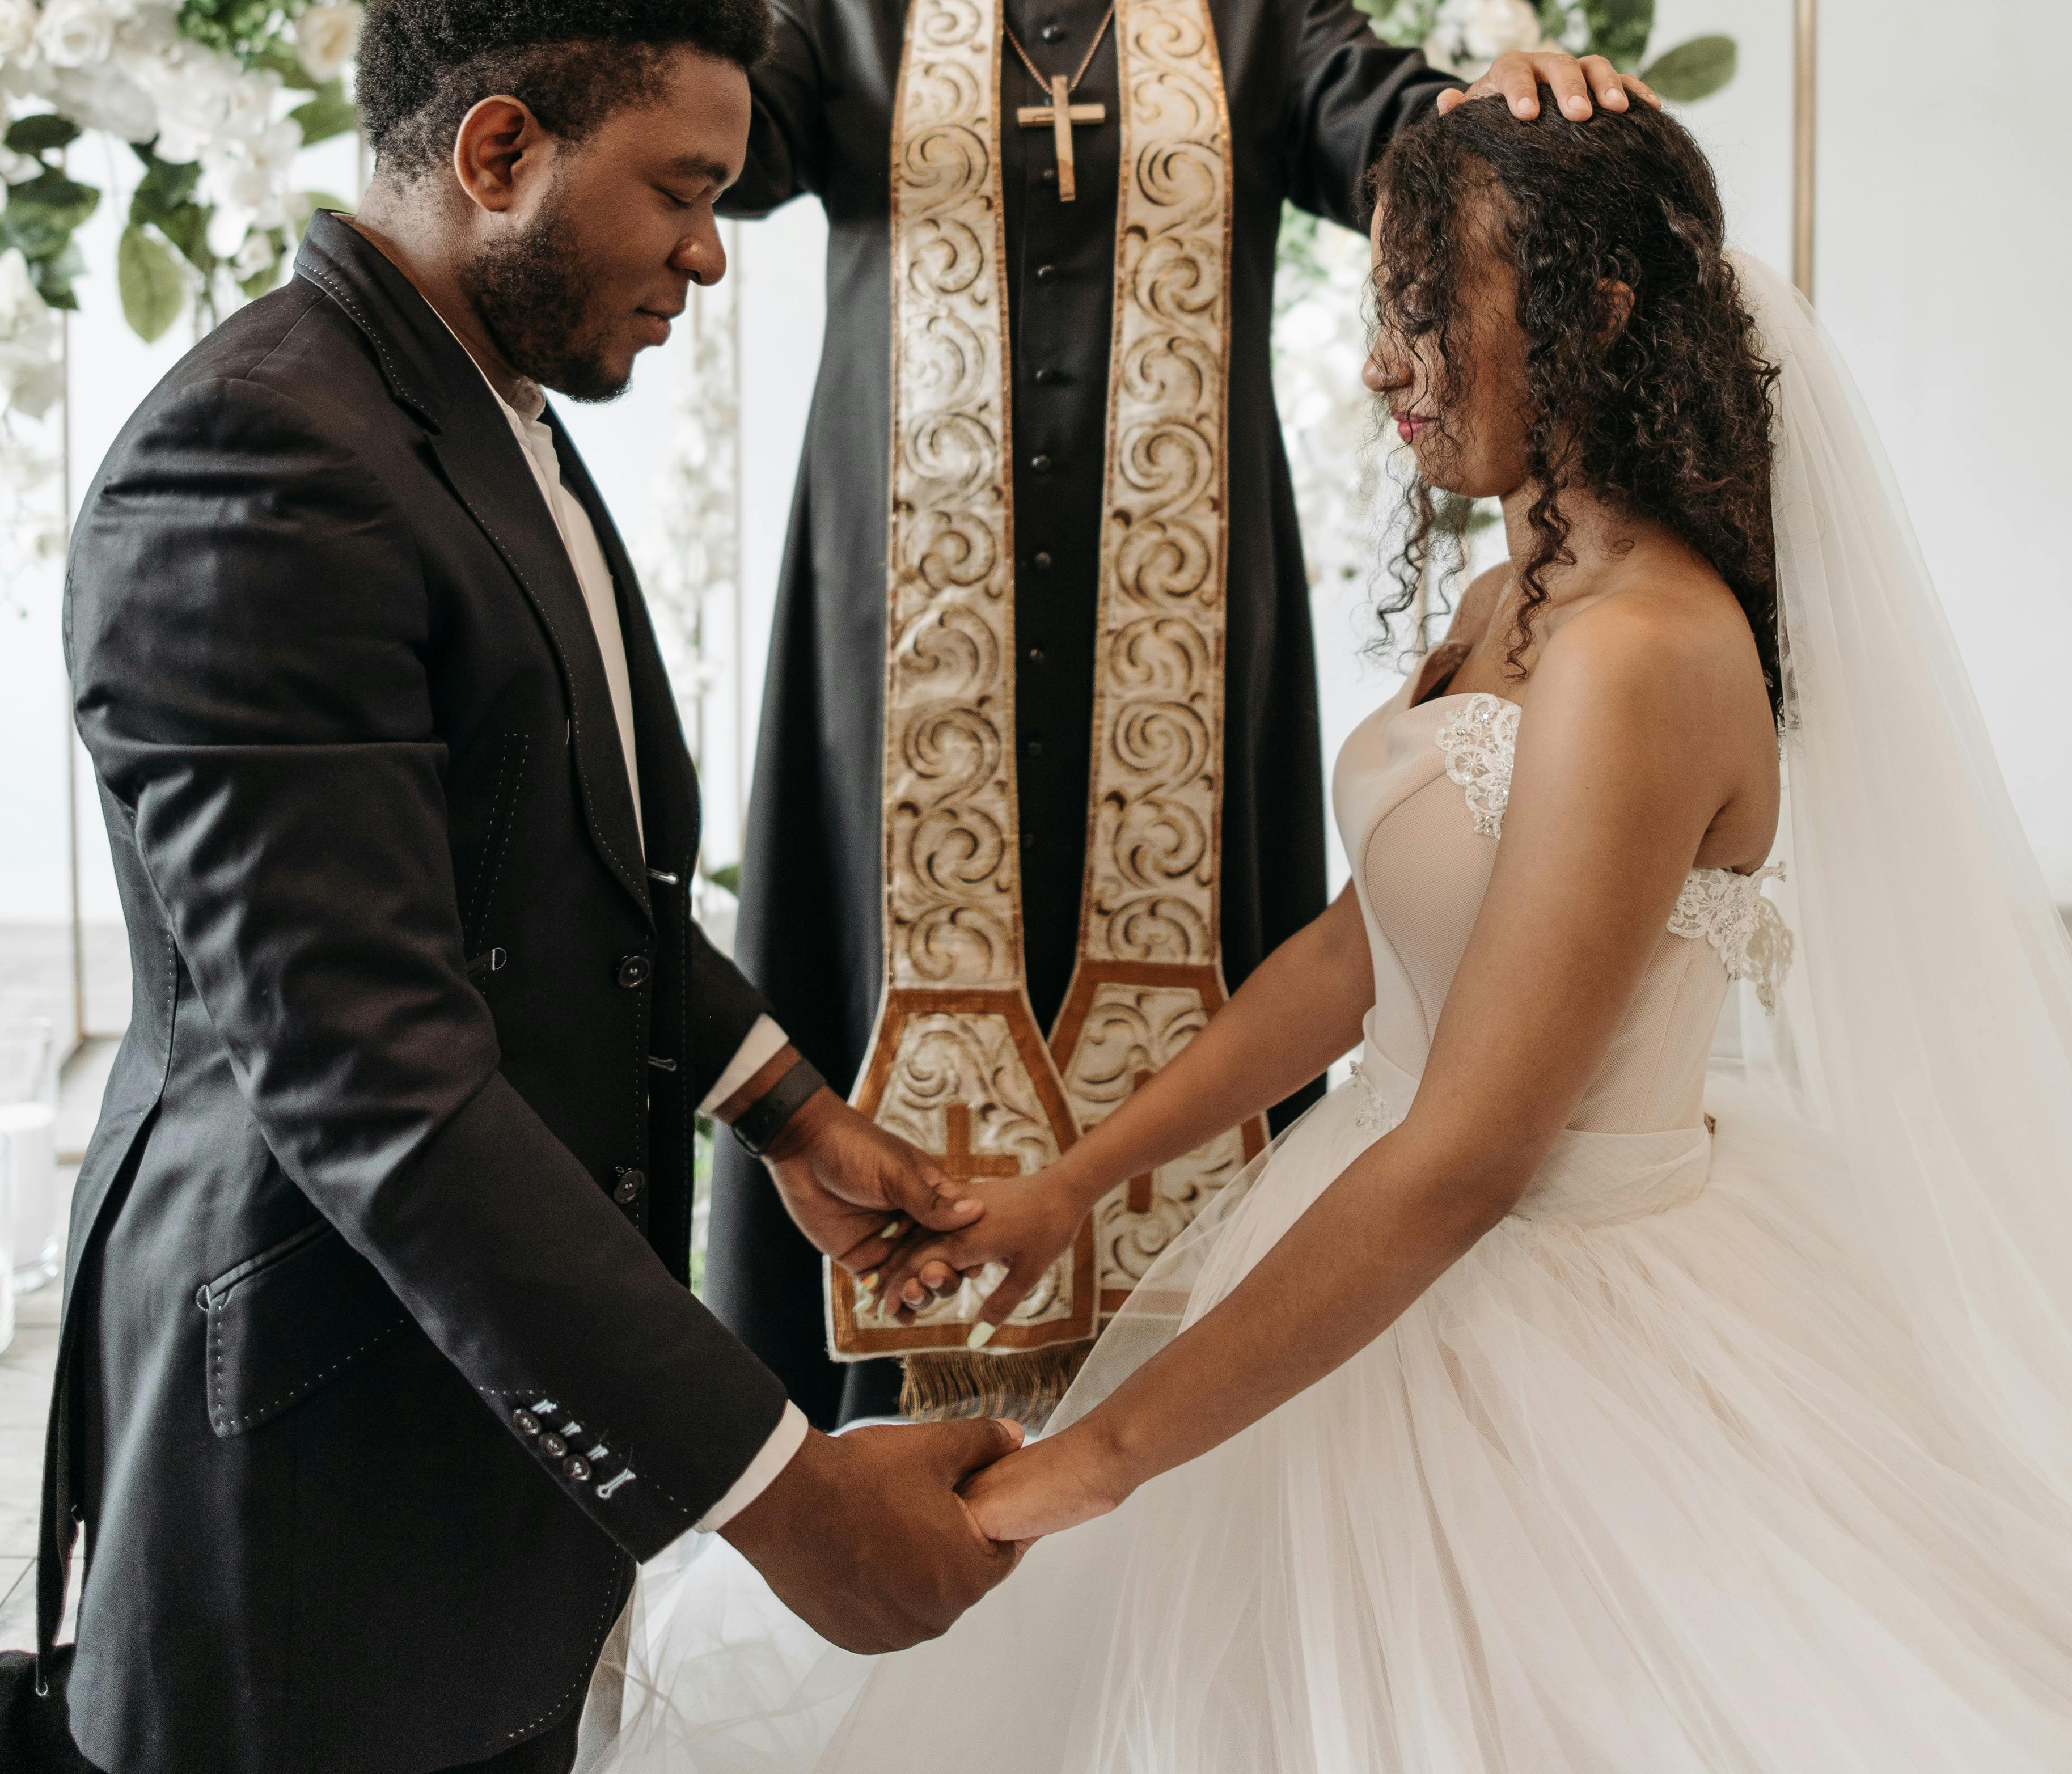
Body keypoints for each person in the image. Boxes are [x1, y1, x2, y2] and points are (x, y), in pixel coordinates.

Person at [596, 97, 2072, 1768]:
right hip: (1360, 1216)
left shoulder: (1646, 654)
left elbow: (1470, 1154)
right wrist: (1074, 1183)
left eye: (1425, 301)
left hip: (1550, 1318)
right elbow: (1355, 957)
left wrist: (1108, 1453)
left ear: (1589, 311)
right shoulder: (1515, 599)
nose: (1384, 360)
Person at [30, 0, 1017, 1774]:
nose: (710, 256)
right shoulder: (258, 463)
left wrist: (786, 1108)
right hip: (313, 1471)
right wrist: (784, 1493)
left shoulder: (473, 413)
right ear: (502, 150)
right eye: (683, 189)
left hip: (485, 1458)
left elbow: (561, 866)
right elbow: (370, 1074)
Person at [709, 0, 1657, 1430]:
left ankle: (1178, 1416)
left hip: (1185, 614)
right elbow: (712, 141)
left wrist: (1496, 106)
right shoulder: (842, 4)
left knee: (1196, 933)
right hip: (899, 631)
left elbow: (1395, 135)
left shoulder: (1254, 1)